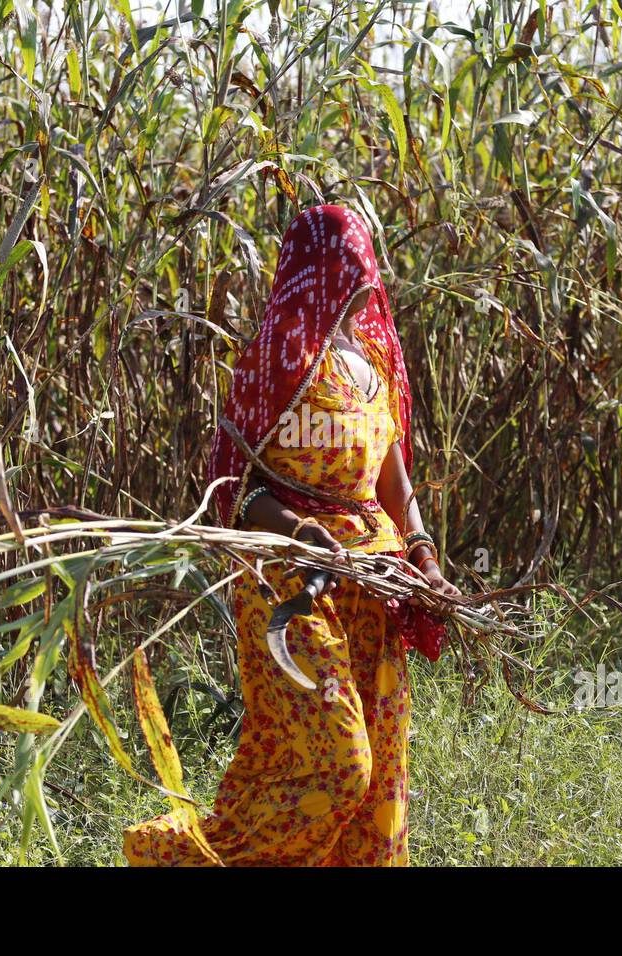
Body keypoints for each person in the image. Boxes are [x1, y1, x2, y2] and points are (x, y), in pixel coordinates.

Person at [124, 204, 460, 866]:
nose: (363, 282)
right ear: (317, 270)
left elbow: (393, 486)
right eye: (348, 266)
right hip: (293, 587)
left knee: (377, 790)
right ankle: (186, 858)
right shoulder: (276, 359)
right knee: (339, 766)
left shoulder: (376, 366)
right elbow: (233, 485)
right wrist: (297, 528)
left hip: (377, 587)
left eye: (365, 266)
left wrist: (423, 557)